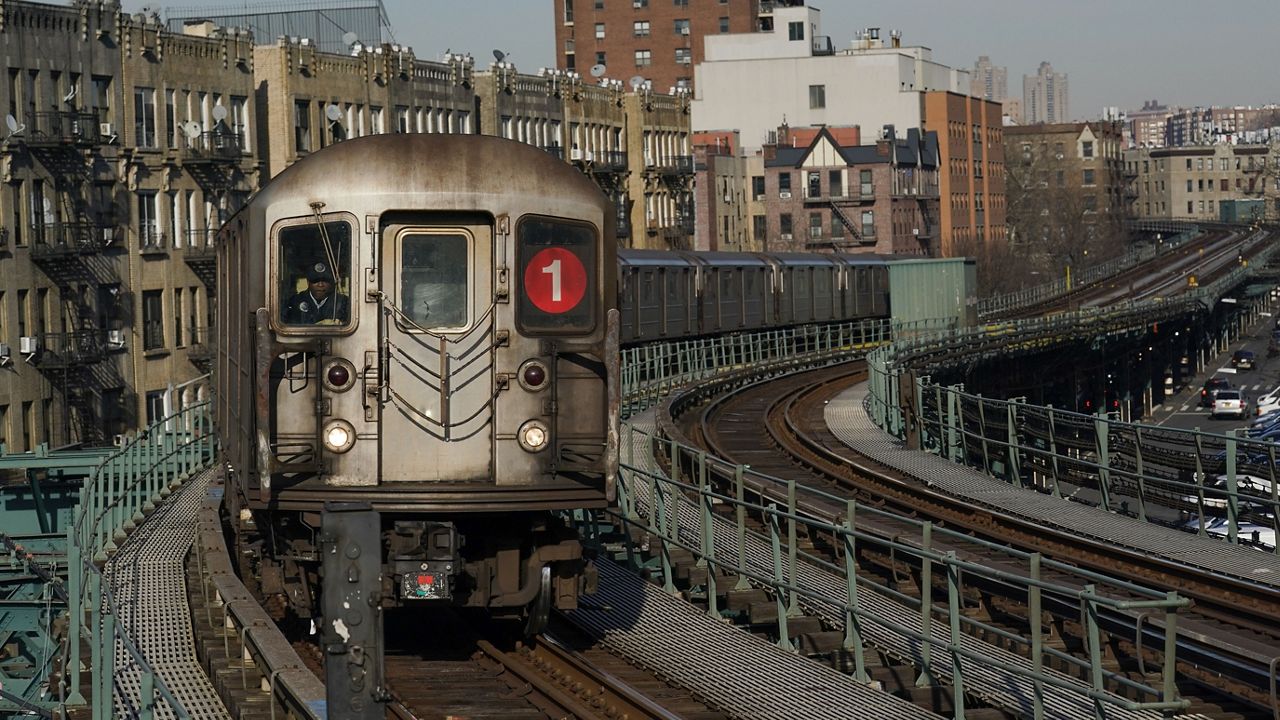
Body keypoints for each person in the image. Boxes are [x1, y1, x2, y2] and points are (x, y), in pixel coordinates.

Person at [283, 261, 350, 324]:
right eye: (315, 281)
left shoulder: (343, 302)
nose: (320, 285)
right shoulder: (294, 302)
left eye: (325, 280)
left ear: (331, 283)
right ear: (308, 283)